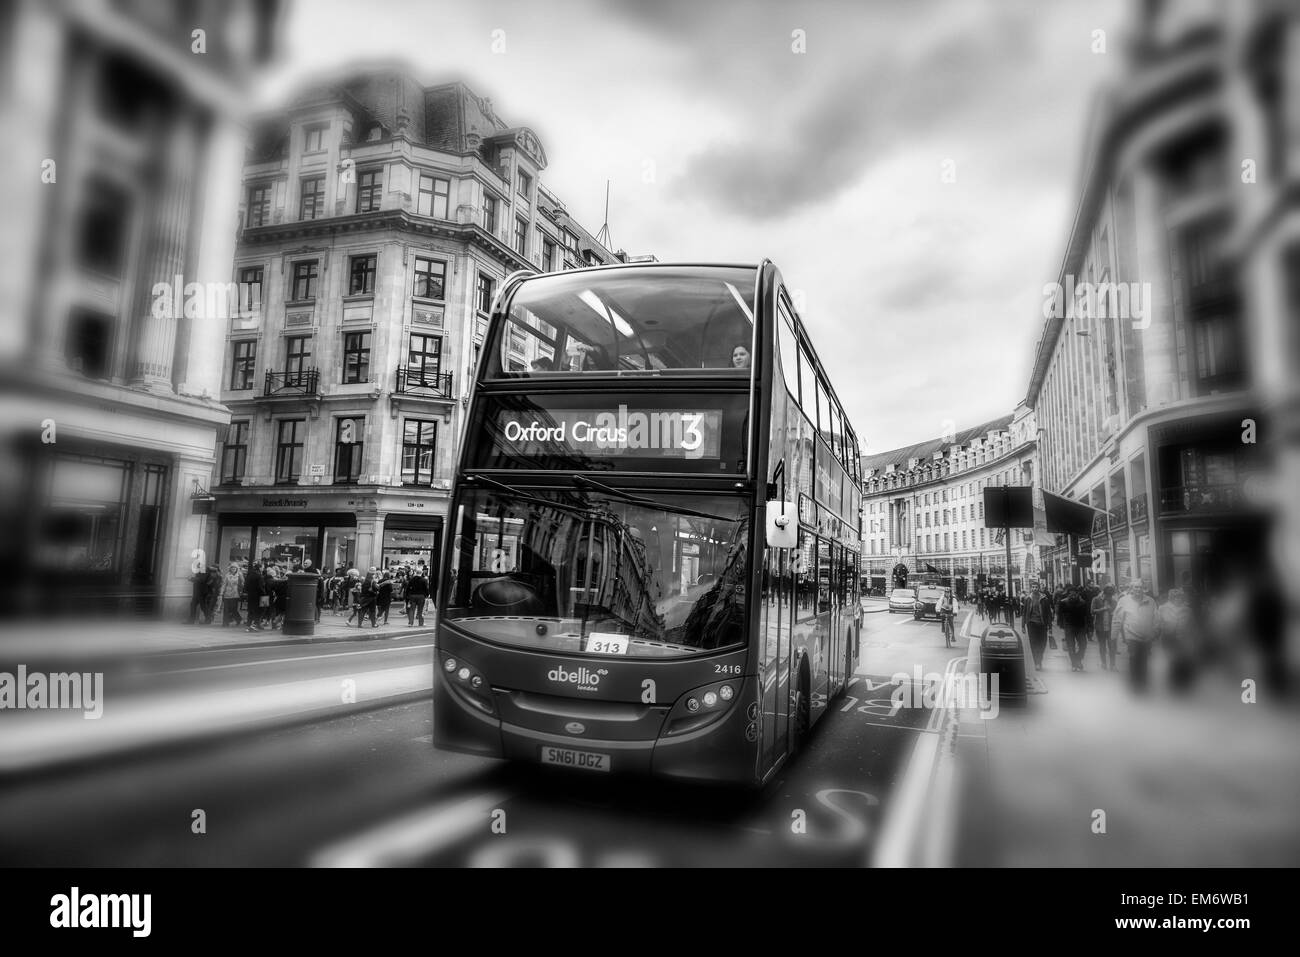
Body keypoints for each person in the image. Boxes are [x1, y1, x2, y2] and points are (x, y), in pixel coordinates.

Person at [1112, 578, 1158, 691]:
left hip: (1147, 636)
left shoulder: (1150, 601)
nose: (1138, 589)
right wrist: (1114, 635)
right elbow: (1117, 618)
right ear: (1131, 589)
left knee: (1144, 659)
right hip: (1131, 635)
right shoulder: (1124, 600)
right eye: (1136, 587)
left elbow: (1156, 618)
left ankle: (1142, 682)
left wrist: (1155, 632)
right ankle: (1134, 683)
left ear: (1144, 589)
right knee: (1134, 657)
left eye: (1140, 587)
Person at [1020, 582, 1054, 670]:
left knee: (1043, 643)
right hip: (1031, 624)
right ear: (1031, 588)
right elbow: (1024, 612)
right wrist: (1023, 625)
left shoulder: (1044, 599)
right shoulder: (1028, 599)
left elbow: (1048, 614)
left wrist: (1050, 627)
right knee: (1034, 643)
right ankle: (1037, 662)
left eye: (1036, 587)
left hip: (1042, 624)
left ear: (1039, 588)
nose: (1034, 589)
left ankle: (1040, 658)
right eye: (1033, 587)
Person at [1058, 585, 1090, 671]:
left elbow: (1087, 615)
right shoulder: (1063, 602)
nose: (1073, 595)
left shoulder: (1083, 603)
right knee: (1071, 646)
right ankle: (1074, 664)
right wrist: (1062, 626)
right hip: (1069, 627)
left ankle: (1078, 659)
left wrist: (1089, 627)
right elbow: (1060, 615)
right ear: (1068, 594)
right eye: (1070, 594)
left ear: (1077, 594)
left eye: (1074, 594)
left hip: (1080, 627)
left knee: (1083, 645)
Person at [1091, 585, 1118, 670]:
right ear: (1104, 593)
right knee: (1102, 646)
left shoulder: (1114, 601)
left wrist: (1112, 612)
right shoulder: (1096, 599)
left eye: (1111, 596)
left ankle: (1112, 665)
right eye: (1108, 596)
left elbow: (1117, 613)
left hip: (1111, 628)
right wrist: (1103, 609)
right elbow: (1092, 611)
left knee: (1112, 647)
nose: (1109, 597)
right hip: (1100, 627)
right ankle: (1103, 663)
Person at [220, 562, 244, 627]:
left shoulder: (239, 575)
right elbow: (224, 584)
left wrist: (242, 590)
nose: (233, 569)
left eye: (234, 568)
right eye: (232, 568)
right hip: (227, 594)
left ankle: (238, 619)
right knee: (226, 609)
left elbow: (243, 583)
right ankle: (225, 623)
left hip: (235, 594)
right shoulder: (227, 575)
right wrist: (221, 592)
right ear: (230, 569)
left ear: (237, 569)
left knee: (233, 609)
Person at [243, 561, 264, 632]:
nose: (263, 569)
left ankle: (248, 626)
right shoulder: (259, 576)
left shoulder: (249, 575)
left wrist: (246, 592)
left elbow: (246, 585)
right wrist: (264, 594)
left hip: (250, 595)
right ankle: (254, 625)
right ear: (260, 568)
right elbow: (260, 587)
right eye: (262, 567)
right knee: (258, 611)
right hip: (258, 596)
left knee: (250, 611)